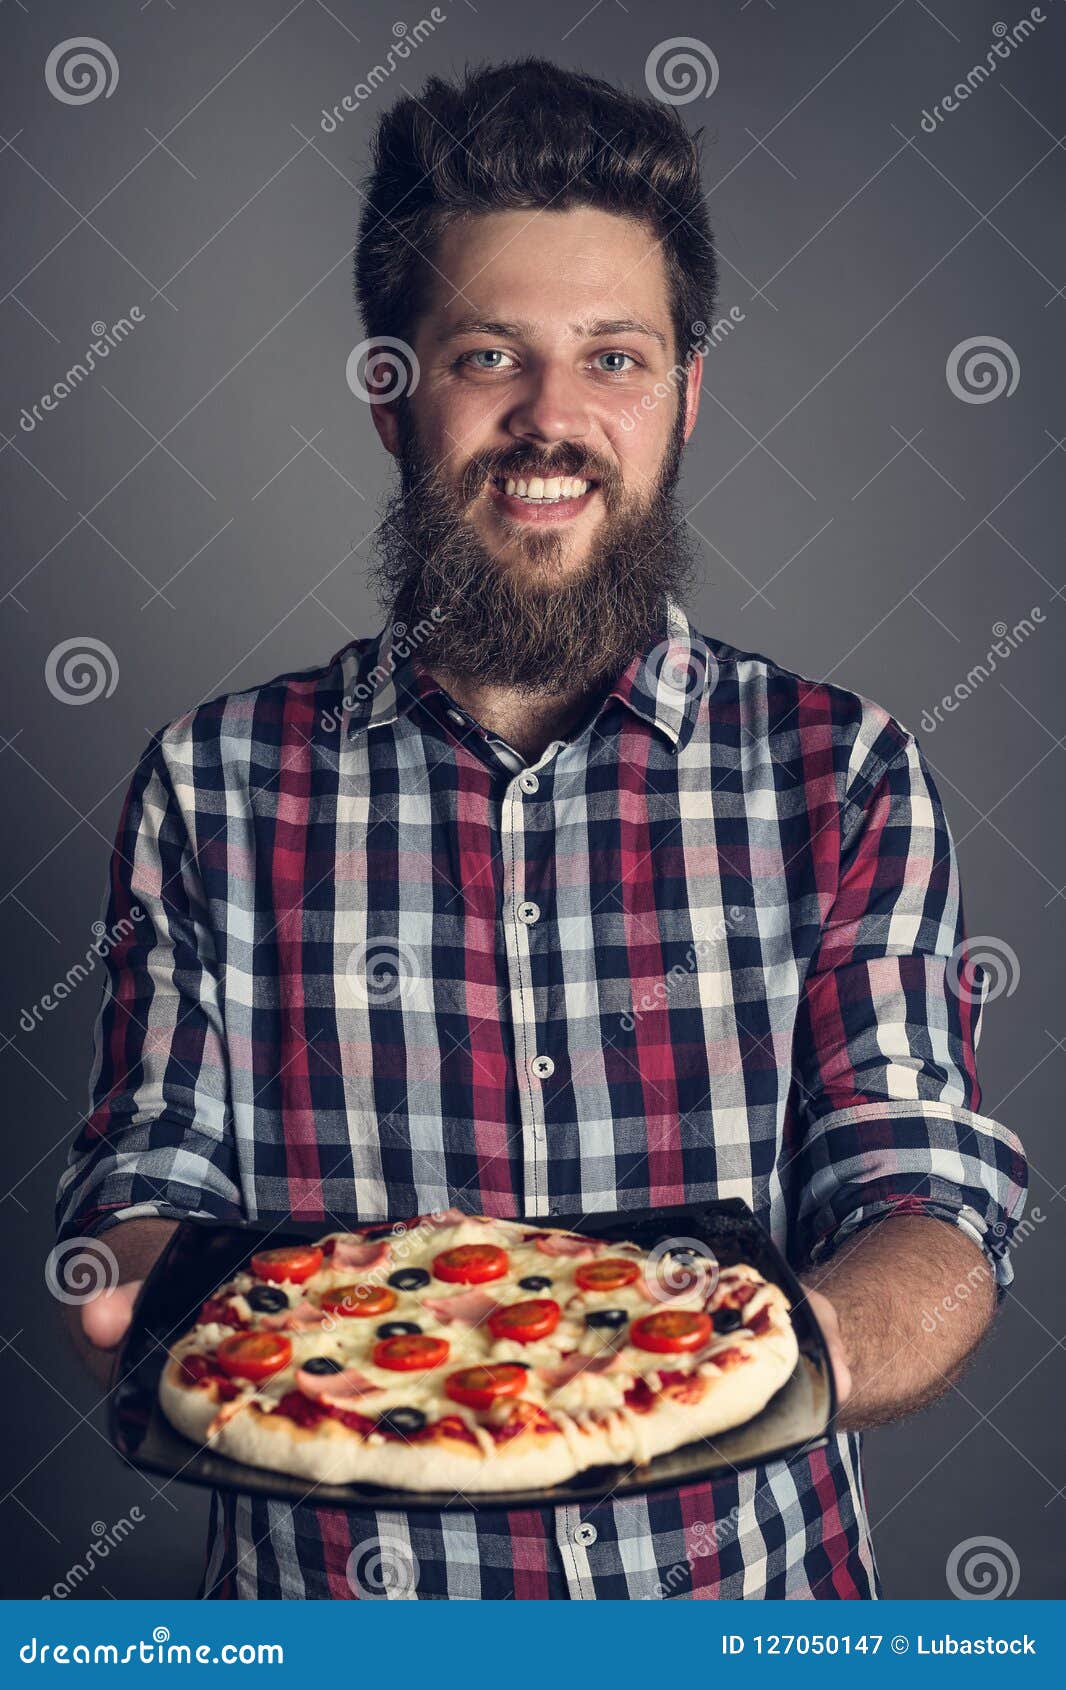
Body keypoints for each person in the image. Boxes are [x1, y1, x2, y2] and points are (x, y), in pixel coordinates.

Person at [58, 59, 1027, 1600]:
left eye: (616, 359)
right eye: (489, 352)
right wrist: (140, 1278)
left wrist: (762, 1347)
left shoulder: (839, 774)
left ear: (686, 396)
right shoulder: (212, 780)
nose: (552, 419)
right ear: (394, 391)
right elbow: (147, 1172)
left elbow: (923, 1201)